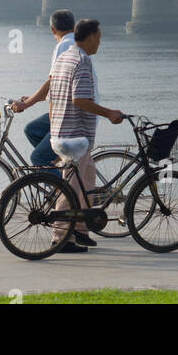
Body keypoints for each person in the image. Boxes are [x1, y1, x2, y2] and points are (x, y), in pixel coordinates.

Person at [47, 18, 123, 252]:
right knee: (72, 189)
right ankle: (61, 237)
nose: (99, 42)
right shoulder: (82, 61)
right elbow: (79, 100)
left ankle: (79, 230)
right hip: (75, 138)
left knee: (86, 183)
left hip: (62, 133)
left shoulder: (64, 57)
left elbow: (51, 91)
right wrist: (109, 113)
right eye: (98, 37)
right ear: (89, 36)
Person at [12, 9, 77, 169]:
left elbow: (52, 81)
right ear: (74, 26)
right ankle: (61, 166)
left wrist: (26, 105)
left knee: (38, 157)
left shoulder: (64, 46)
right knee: (32, 129)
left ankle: (63, 190)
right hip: (68, 109)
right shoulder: (74, 42)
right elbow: (59, 86)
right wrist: (34, 97)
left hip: (69, 115)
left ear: (52, 30)